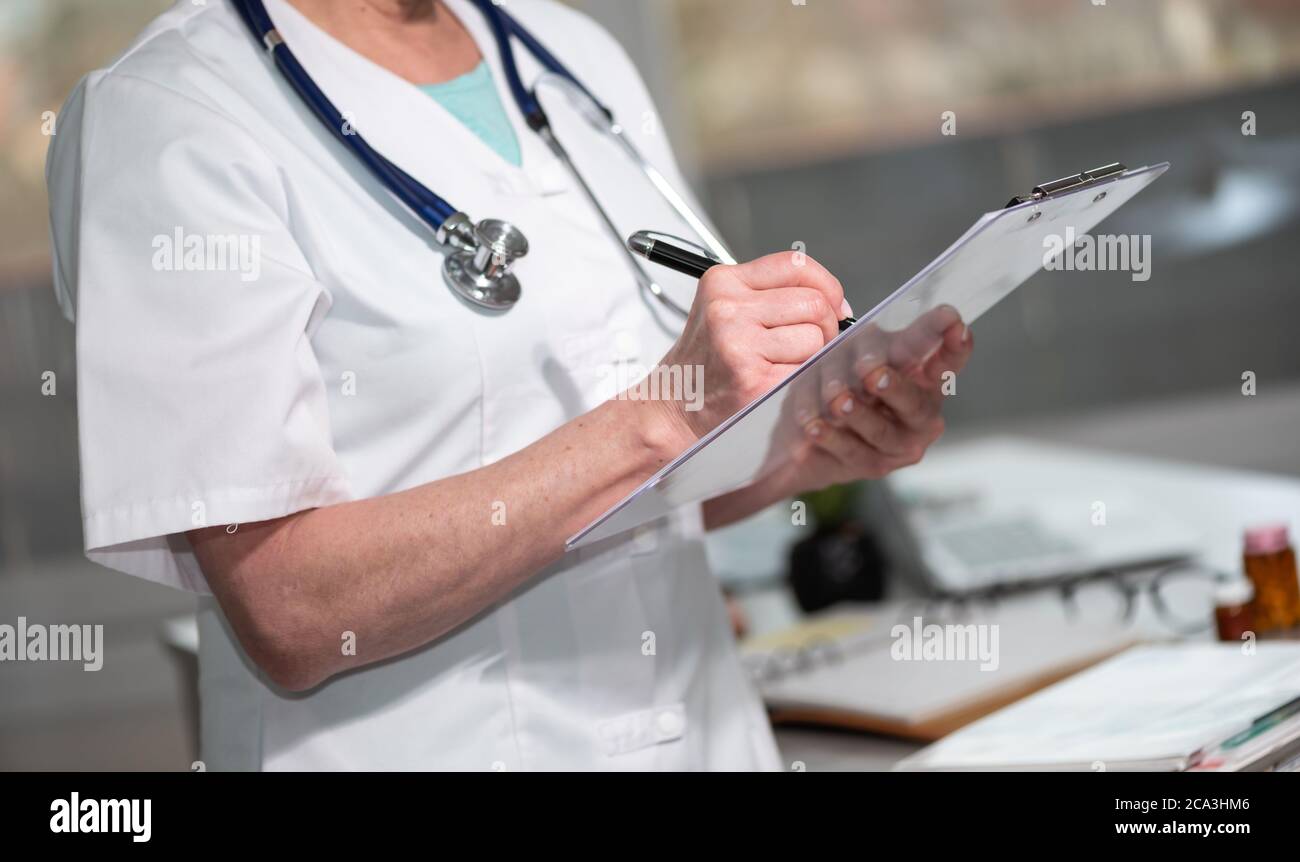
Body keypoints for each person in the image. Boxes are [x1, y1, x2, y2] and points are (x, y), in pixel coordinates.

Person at [45, 0, 972, 770]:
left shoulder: (571, 57)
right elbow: (289, 609)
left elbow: (639, 493)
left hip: (705, 735)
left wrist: (814, 447)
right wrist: (665, 413)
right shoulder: (171, 112)